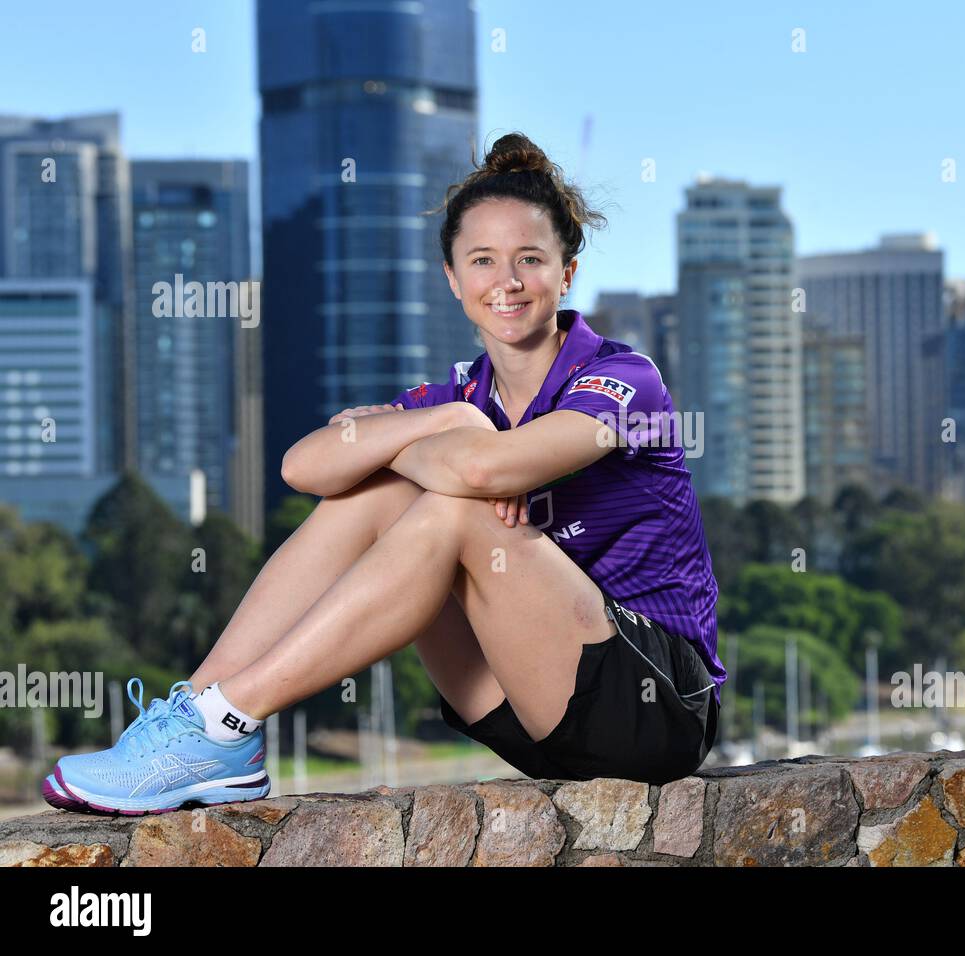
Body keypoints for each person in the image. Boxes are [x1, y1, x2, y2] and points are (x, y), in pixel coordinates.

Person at [43, 132, 724, 815]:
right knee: (379, 493)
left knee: (451, 507)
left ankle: (232, 716)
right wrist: (437, 430)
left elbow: (486, 465)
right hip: (524, 705)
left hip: (656, 704)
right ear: (454, 280)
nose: (507, 282)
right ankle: (200, 721)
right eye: (482, 260)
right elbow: (303, 464)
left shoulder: (622, 376)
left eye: (530, 260)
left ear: (566, 272)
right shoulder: (457, 396)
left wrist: (415, 444)